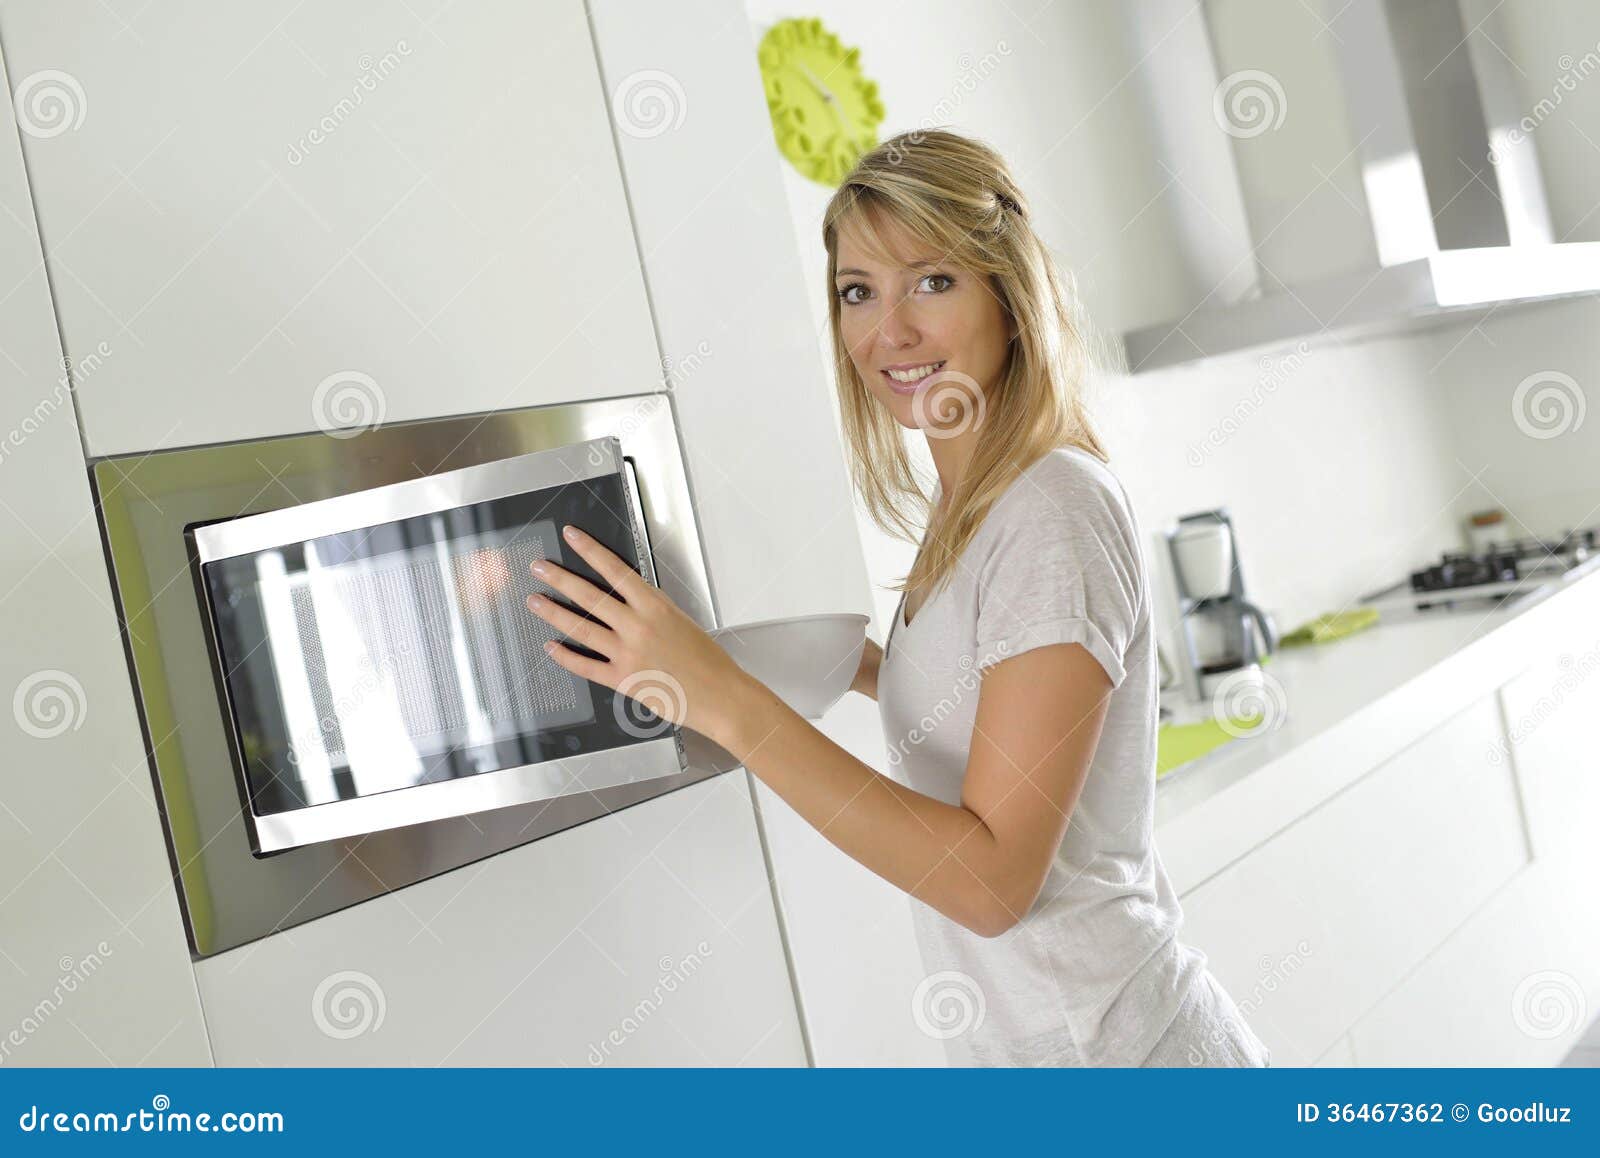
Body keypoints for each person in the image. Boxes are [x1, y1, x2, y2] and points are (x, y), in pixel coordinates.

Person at [525, 128, 1269, 1067]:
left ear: (1008, 291)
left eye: (933, 280)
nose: (891, 332)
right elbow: (994, 692)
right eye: (858, 292)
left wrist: (722, 697)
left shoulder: (1050, 509)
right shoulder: (977, 503)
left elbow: (993, 881)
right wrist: (848, 667)